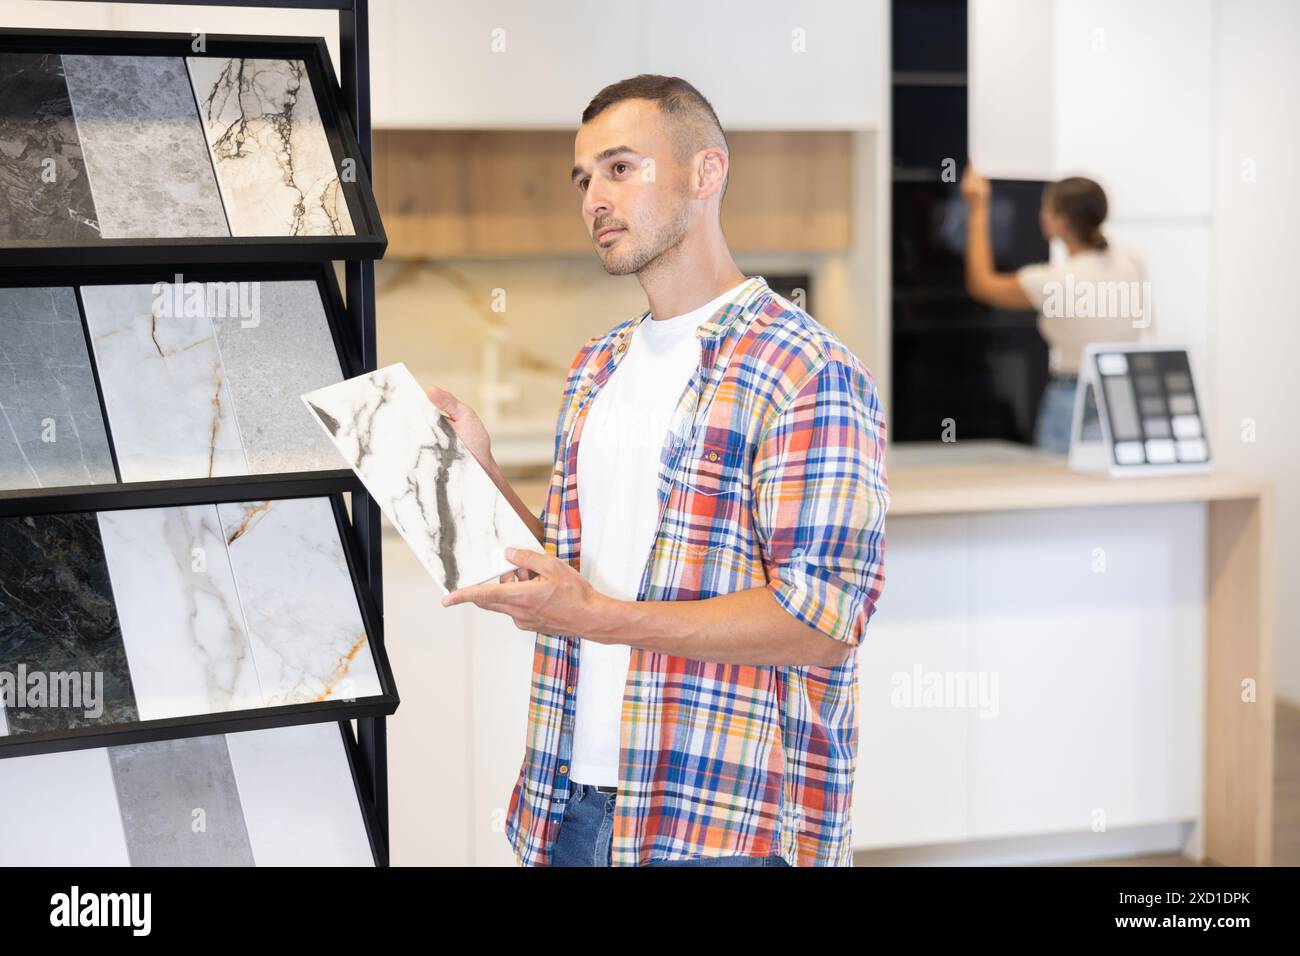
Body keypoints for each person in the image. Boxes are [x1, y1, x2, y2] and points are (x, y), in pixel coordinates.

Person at [426, 75, 890, 866]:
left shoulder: (805, 368)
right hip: (567, 802)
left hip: (721, 821)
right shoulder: (597, 367)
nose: (593, 200)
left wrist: (598, 616)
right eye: (583, 178)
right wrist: (485, 475)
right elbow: (576, 575)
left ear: (706, 175)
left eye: (620, 168)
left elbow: (822, 624)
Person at [960, 164, 1148, 454]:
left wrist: (978, 207)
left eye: (1045, 209)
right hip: (1123, 396)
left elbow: (981, 284)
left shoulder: (1053, 281)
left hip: (1073, 397)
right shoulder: (1131, 263)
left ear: (1059, 222)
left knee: (1056, 487)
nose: (1040, 215)